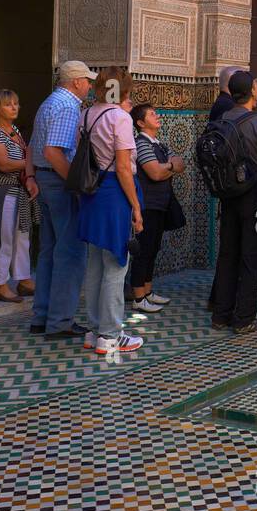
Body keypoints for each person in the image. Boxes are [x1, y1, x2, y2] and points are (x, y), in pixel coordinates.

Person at [77, 66, 145, 355]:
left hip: (91, 193)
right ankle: (111, 334)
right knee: (116, 266)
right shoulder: (120, 117)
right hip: (114, 194)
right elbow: (122, 167)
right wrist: (136, 206)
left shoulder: (87, 114)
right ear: (124, 90)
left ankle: (94, 331)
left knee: (94, 264)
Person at [29, 60, 96, 339]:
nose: (90, 86)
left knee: (49, 251)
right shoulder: (68, 106)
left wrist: (32, 178)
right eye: (88, 81)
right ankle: (60, 322)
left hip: (45, 181)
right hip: (58, 183)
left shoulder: (48, 102)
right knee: (70, 253)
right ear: (76, 82)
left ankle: (42, 317)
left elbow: (33, 147)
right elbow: (53, 151)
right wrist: (76, 185)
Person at [210, 71, 257, 335]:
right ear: (251, 92)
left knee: (228, 254)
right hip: (255, 198)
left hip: (229, 196)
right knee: (251, 255)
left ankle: (221, 314)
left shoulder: (223, 117)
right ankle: (244, 318)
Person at [0, 89, 38, 303]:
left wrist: (29, 175)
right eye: (8, 104)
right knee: (4, 238)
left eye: (16, 103)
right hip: (0, 191)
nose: (14, 108)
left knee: (22, 236)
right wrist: (32, 163)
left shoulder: (13, 130)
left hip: (18, 190)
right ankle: (0, 283)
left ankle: (24, 279)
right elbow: (3, 164)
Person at [130, 103, 185, 313]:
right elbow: (153, 173)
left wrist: (166, 167)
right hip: (147, 206)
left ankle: (148, 291)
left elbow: (180, 163)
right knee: (144, 251)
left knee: (153, 249)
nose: (157, 116)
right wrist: (168, 167)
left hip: (160, 205)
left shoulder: (159, 144)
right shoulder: (141, 144)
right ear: (141, 122)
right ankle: (138, 296)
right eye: (152, 114)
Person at [204, 65, 243, 313]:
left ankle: (220, 296)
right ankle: (222, 298)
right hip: (234, 186)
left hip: (227, 184)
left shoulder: (221, 104)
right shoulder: (228, 108)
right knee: (232, 247)